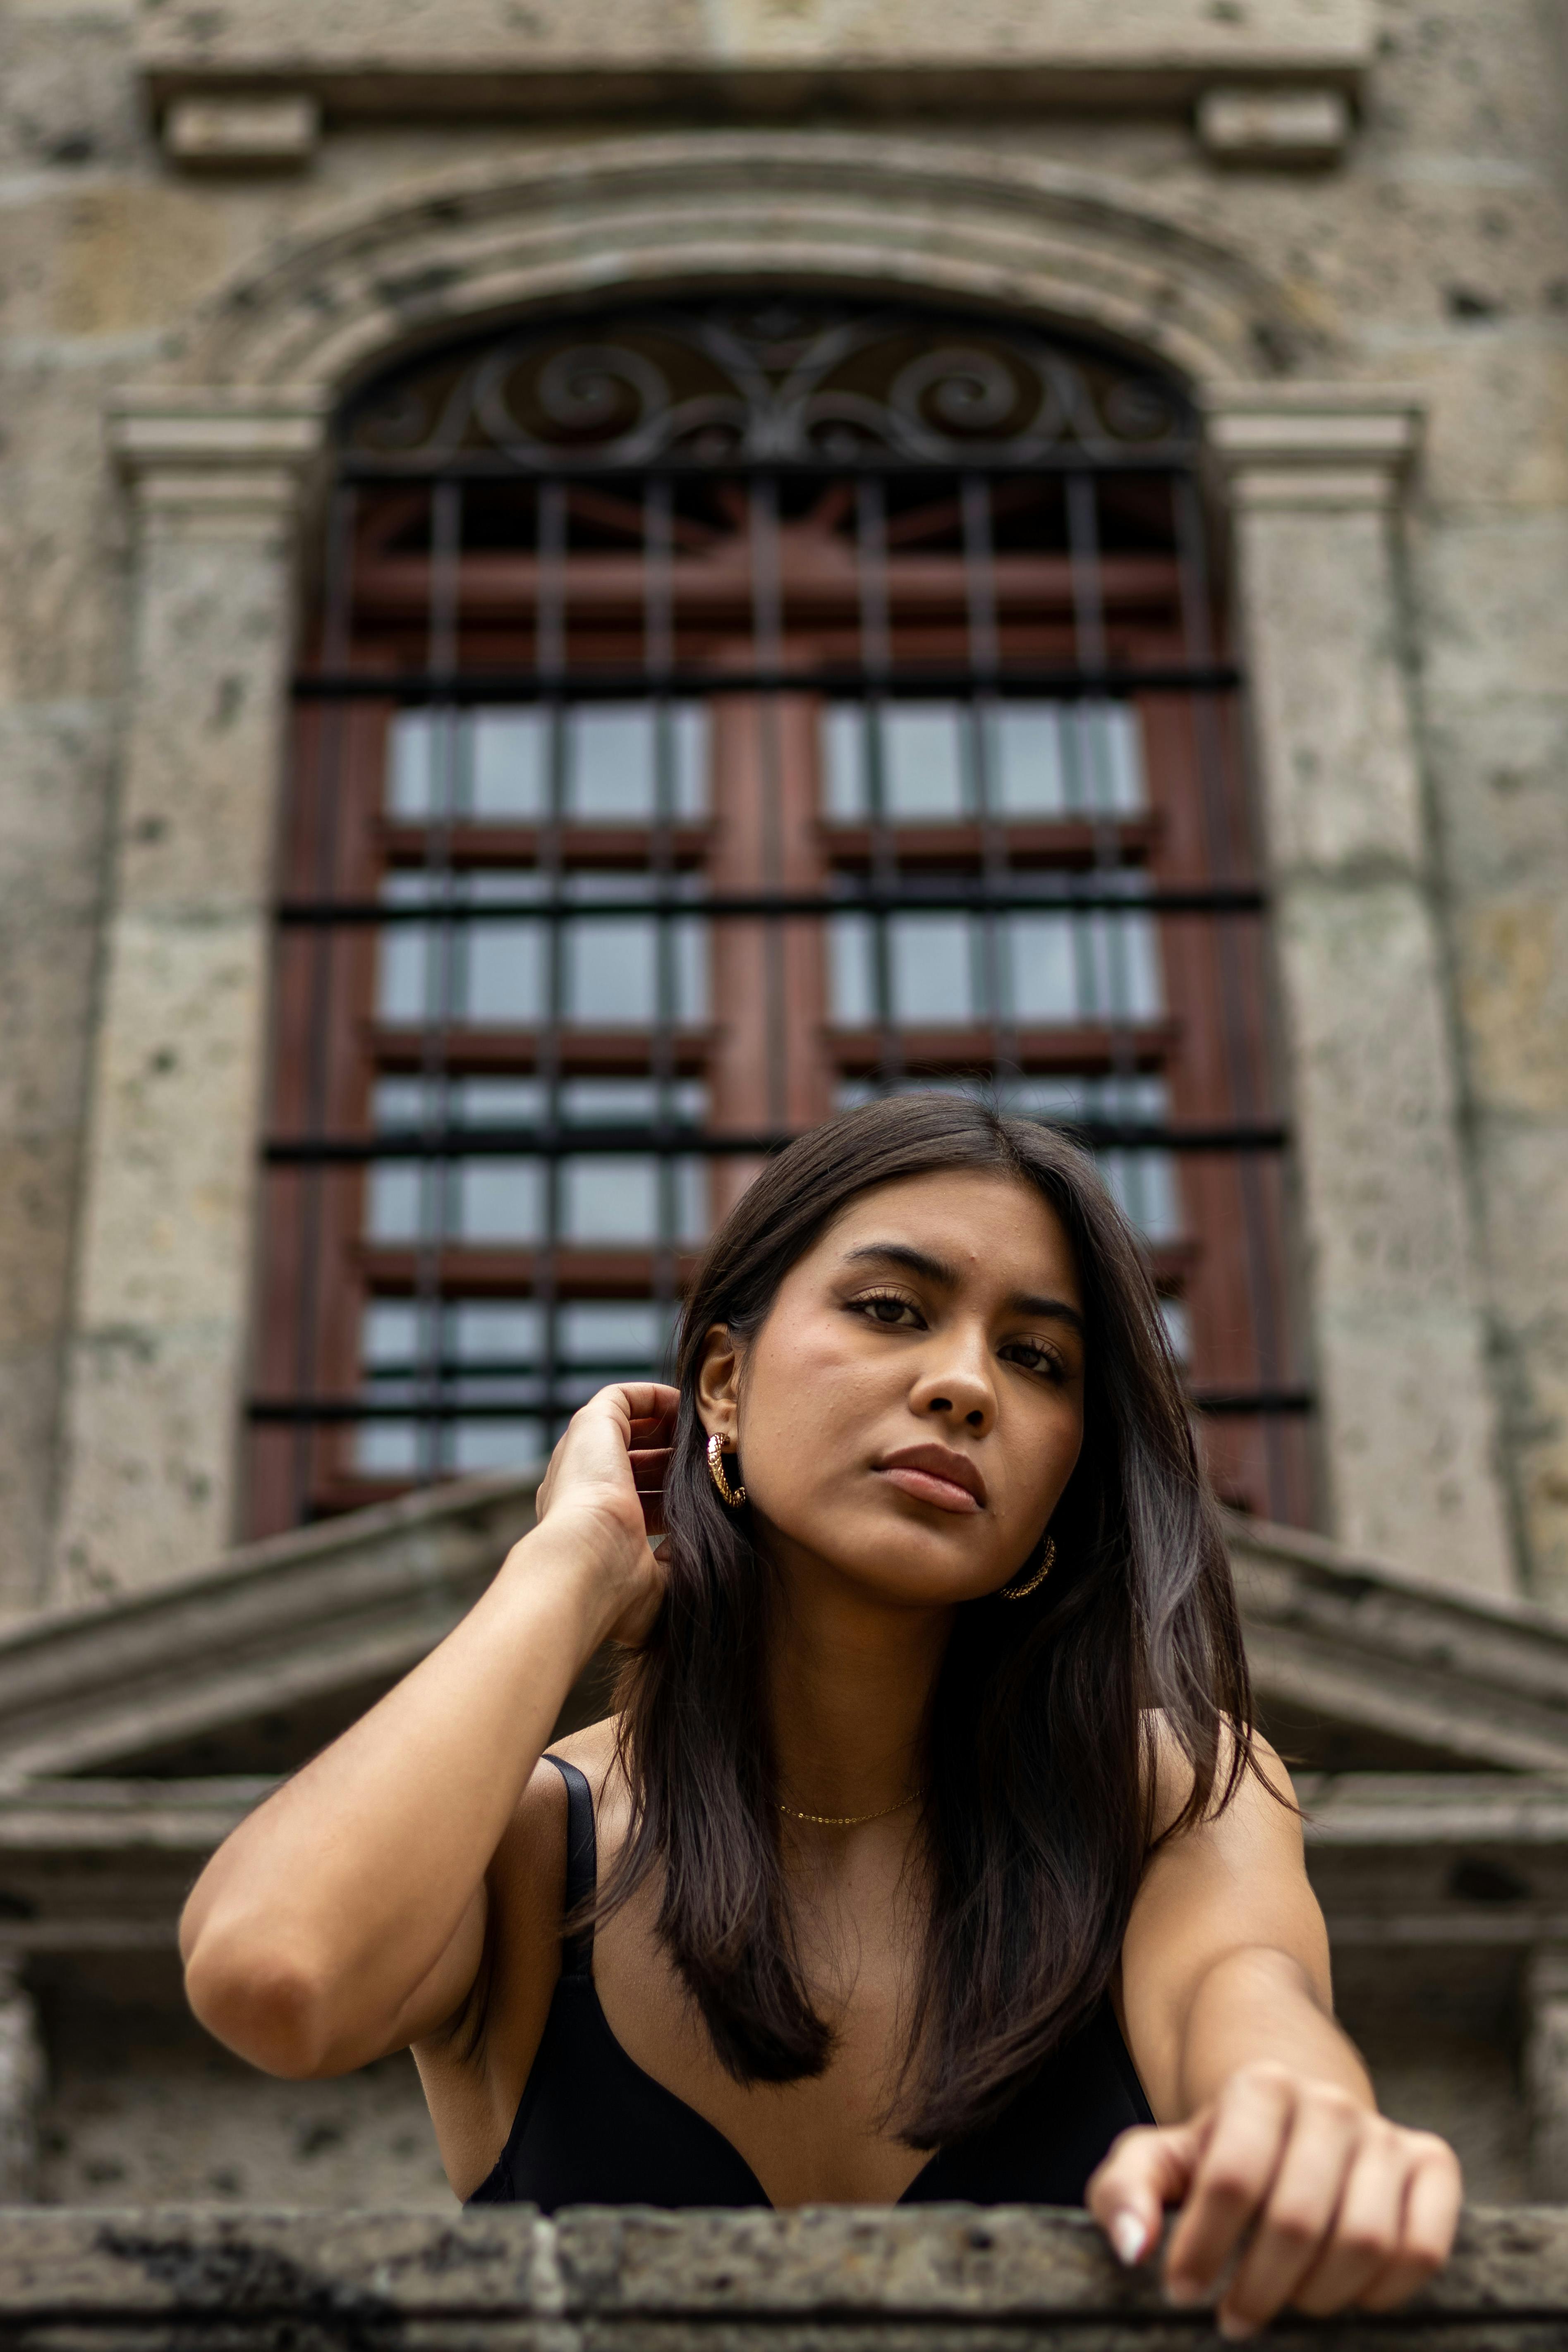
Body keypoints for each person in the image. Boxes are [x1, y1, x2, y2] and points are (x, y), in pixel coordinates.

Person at [181, 1097, 1460, 2333]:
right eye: (892, 1310)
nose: (965, 1386)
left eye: (1037, 1358)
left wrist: (1300, 2119)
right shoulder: (530, 1851)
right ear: (722, 1385)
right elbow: (277, 1973)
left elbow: (1252, 1998)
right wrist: (567, 1570)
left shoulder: (1168, 1792)